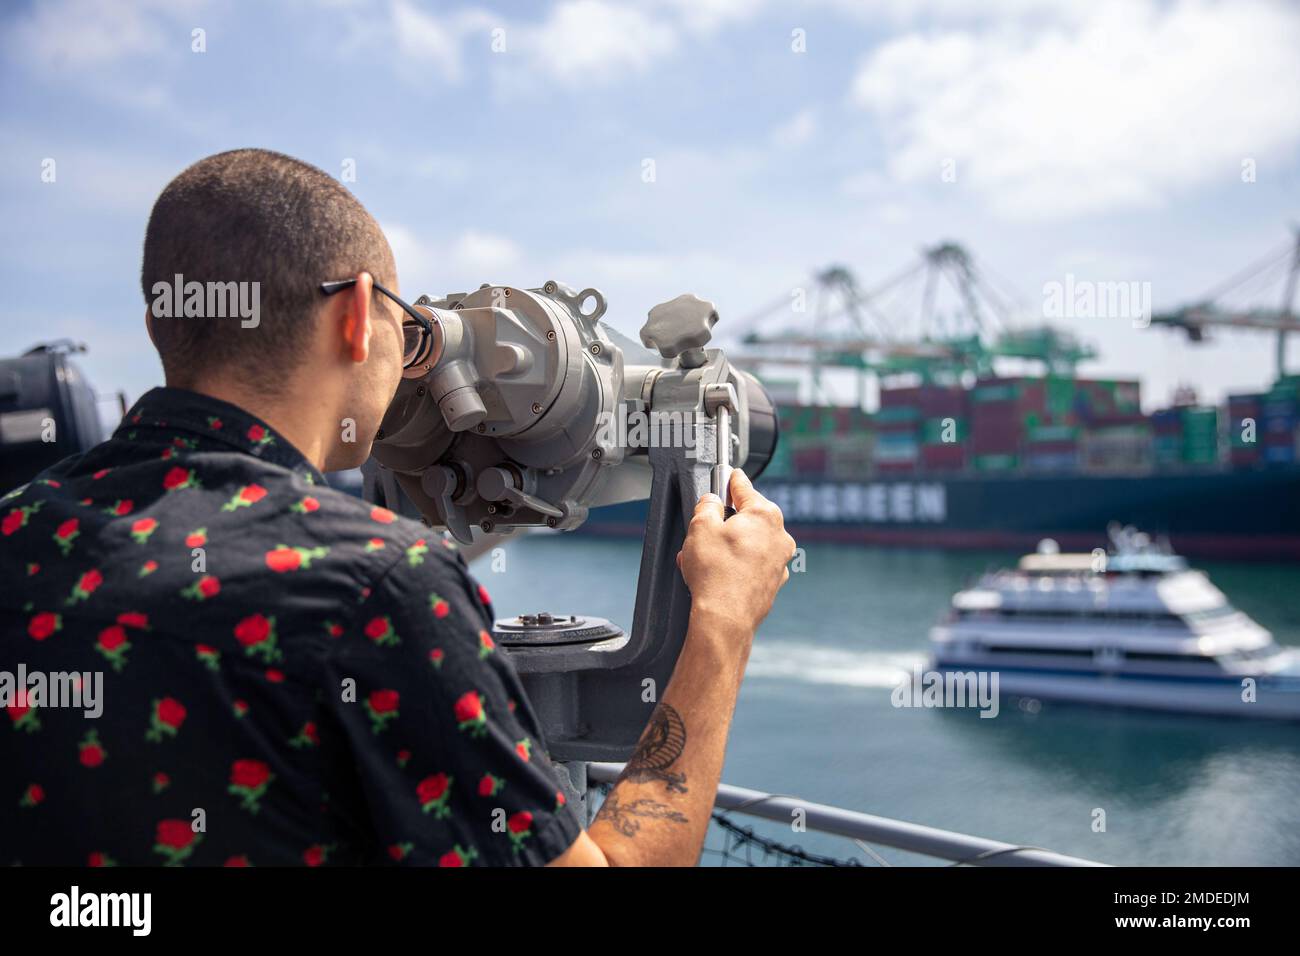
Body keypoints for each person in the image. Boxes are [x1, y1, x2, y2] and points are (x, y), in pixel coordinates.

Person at [0, 148, 796, 867]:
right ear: (354, 318)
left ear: (156, 326)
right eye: (406, 327)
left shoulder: (18, 528)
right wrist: (720, 626)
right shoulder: (374, 589)